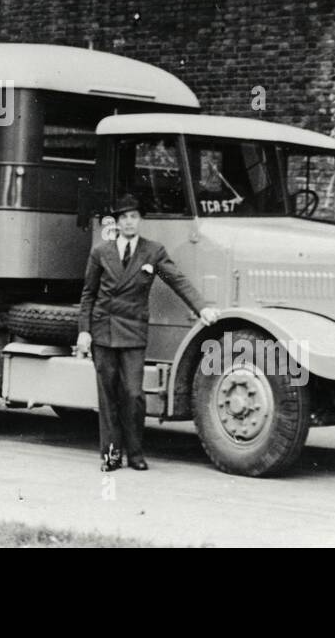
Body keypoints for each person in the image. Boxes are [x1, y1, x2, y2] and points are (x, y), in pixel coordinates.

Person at [75, 194, 219, 472]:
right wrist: (84, 332)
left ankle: (136, 454)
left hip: (133, 332)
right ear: (116, 222)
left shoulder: (152, 251)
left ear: (140, 221)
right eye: (124, 217)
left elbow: (177, 280)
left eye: (134, 217)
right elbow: (88, 294)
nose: (129, 222)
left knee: (133, 394)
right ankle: (111, 456)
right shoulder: (100, 252)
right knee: (107, 396)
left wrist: (202, 308)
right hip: (103, 330)